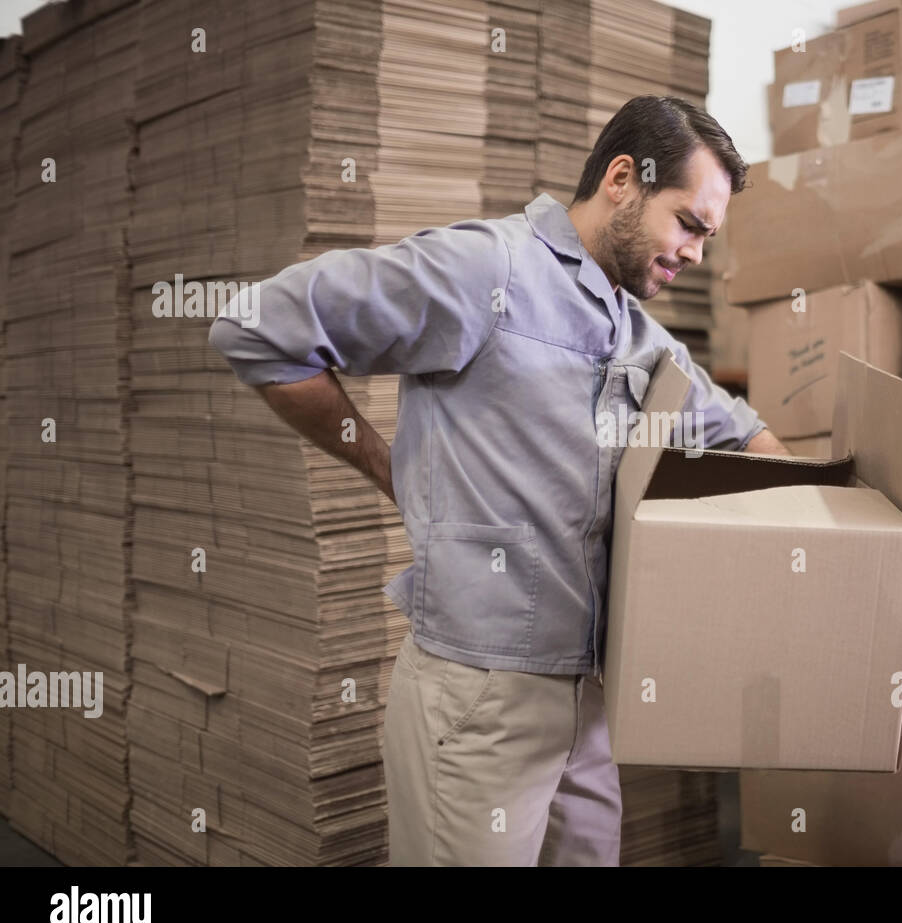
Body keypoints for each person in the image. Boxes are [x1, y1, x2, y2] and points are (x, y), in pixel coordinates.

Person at [208, 94, 787, 866]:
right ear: (623, 179)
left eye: (707, 237)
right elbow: (257, 328)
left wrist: (837, 525)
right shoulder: (485, 270)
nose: (695, 254)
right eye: (688, 223)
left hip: (587, 701)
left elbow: (744, 432)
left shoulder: (636, 333)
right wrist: (390, 468)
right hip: (480, 695)